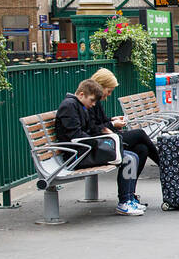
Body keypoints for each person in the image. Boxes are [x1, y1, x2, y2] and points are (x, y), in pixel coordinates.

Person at [54, 79, 144, 216]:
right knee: (128, 159)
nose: (93, 104)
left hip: (85, 151)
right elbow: (75, 135)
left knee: (133, 156)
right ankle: (124, 202)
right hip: (76, 156)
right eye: (92, 100)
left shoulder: (78, 105)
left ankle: (129, 198)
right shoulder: (69, 106)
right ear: (81, 94)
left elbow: (88, 130)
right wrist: (100, 142)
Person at [89, 68, 159, 173]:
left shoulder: (95, 101)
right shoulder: (90, 102)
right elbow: (93, 128)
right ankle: (165, 164)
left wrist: (112, 120)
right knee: (140, 133)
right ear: (100, 86)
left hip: (106, 138)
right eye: (109, 91)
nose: (109, 94)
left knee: (142, 149)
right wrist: (113, 124)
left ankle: (128, 190)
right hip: (102, 142)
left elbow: (101, 121)